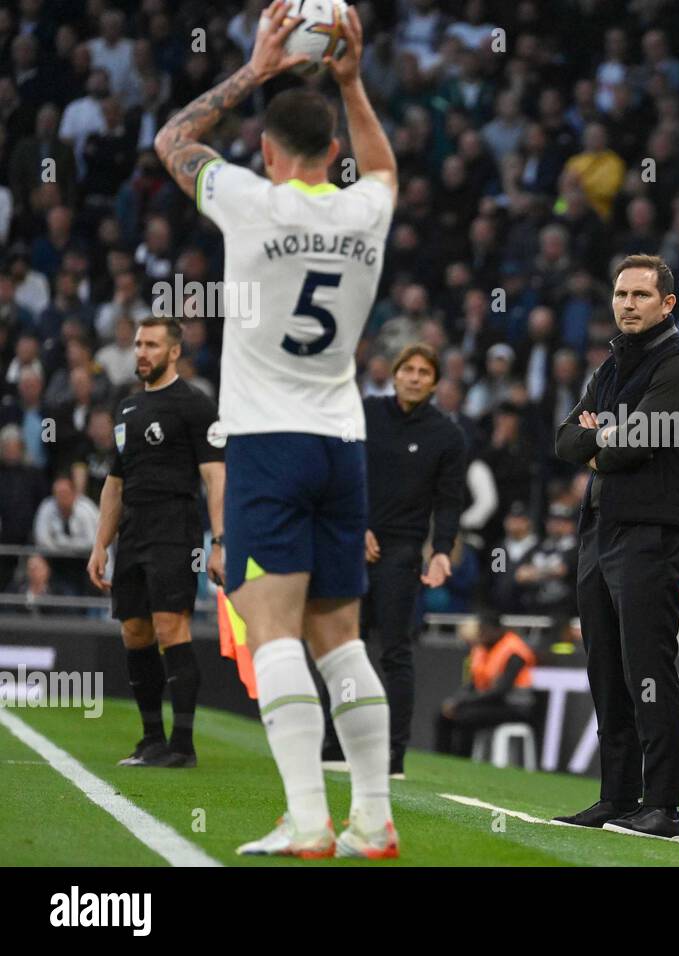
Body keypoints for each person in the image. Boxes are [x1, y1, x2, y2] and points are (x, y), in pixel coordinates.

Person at [152, 2, 398, 858]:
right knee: (343, 642)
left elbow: (173, 141)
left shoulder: (250, 202)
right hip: (343, 442)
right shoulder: (366, 211)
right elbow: (387, 169)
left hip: (266, 444)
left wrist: (255, 70)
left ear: (267, 150)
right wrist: (354, 81)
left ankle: (308, 822)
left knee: (274, 633)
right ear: (335, 153)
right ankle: (373, 818)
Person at [552, 254, 679, 842]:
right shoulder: (612, 364)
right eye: (620, 294)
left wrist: (601, 441)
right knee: (606, 669)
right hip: (601, 530)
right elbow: (565, 436)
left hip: (653, 531)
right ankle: (618, 796)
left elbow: (631, 444)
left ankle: (663, 808)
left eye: (641, 296)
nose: (627, 304)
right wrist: (603, 440)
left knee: (647, 667)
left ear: (667, 304)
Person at [320, 343, 467, 780]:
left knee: (396, 651)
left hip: (402, 551)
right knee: (345, 648)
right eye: (409, 369)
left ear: (436, 382)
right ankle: (335, 745)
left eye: (425, 371)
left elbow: (450, 501)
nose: (416, 377)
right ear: (395, 374)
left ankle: (392, 757)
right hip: (351, 541)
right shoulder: (364, 413)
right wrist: (354, 525)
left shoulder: (447, 435)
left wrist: (440, 551)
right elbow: (340, 472)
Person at [86, 317, 224, 768]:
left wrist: (219, 540)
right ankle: (151, 740)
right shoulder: (126, 408)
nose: (141, 352)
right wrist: (101, 544)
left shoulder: (195, 405)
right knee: (135, 631)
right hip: (134, 530)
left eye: (152, 345)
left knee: (170, 626)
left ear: (174, 352)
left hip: (174, 526)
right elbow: (114, 484)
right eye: (139, 344)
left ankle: (182, 745)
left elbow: (214, 476)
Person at [433, 609, 537, 756]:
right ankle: (442, 759)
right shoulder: (481, 649)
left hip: (514, 706)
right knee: (444, 714)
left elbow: (501, 691)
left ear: (497, 630)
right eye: (480, 630)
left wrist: (465, 702)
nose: (482, 634)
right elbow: (472, 684)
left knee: (467, 717)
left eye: (485, 630)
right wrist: (456, 700)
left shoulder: (514, 651)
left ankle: (462, 759)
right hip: (489, 703)